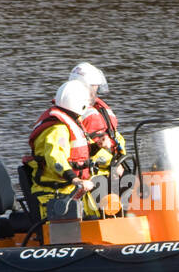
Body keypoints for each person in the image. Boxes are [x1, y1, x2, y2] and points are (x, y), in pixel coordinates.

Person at [24, 79, 113, 221]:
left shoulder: (72, 123)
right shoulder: (57, 129)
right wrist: (75, 179)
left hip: (73, 193)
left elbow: (80, 155)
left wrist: (102, 150)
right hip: (56, 196)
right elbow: (55, 159)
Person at [68, 63, 126, 212]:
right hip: (95, 176)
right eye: (94, 88)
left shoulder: (98, 109)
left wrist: (119, 159)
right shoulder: (78, 113)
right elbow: (86, 150)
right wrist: (113, 163)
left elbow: (115, 137)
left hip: (111, 170)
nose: (96, 93)